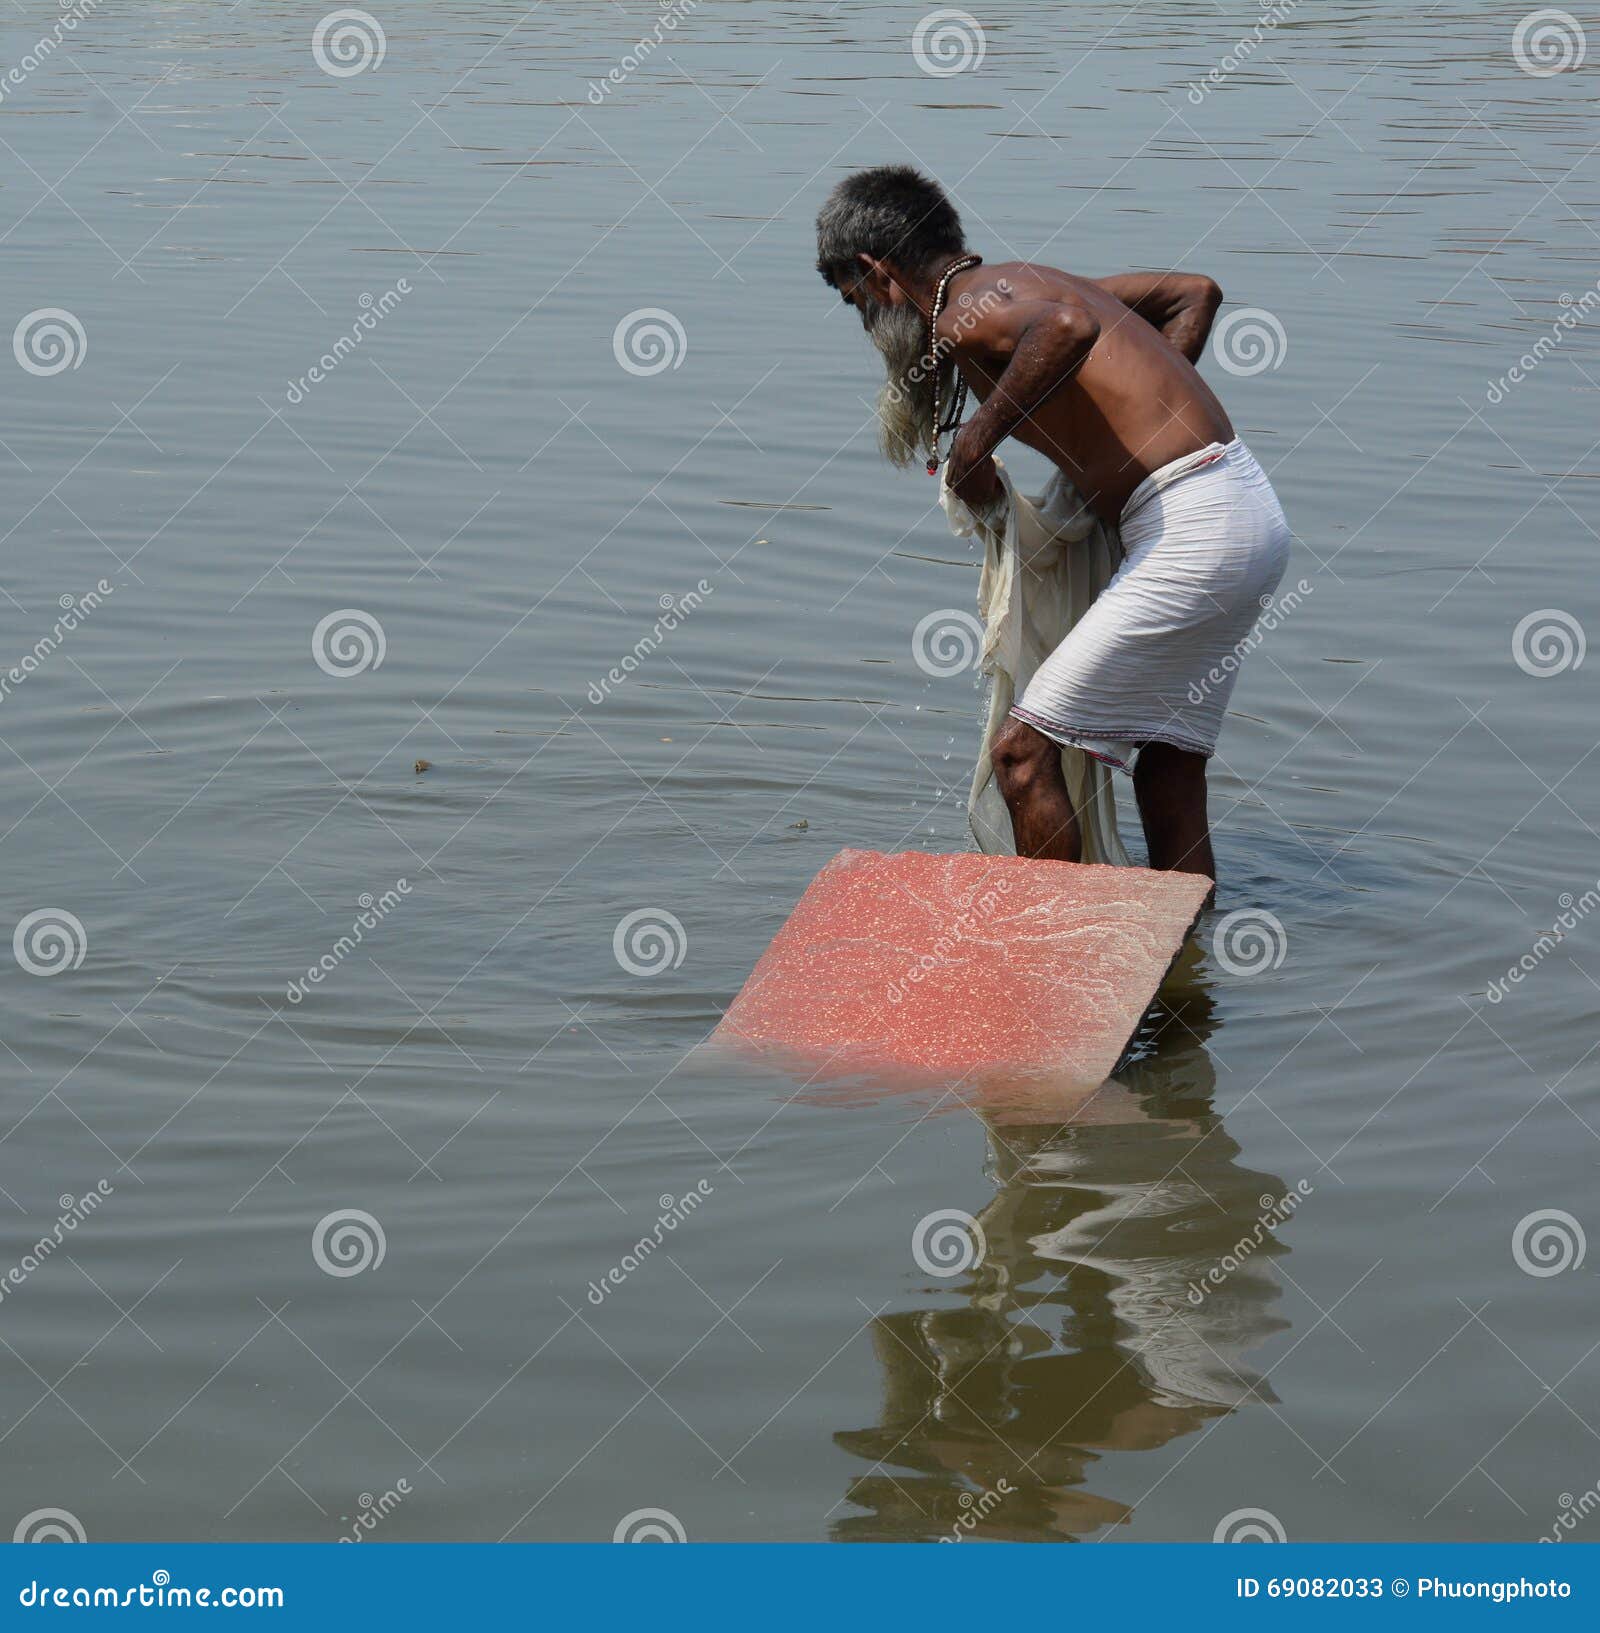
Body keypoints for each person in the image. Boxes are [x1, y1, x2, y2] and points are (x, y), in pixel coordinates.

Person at [815, 165, 1292, 882]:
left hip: (1193, 526)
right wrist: (1133, 414)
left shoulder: (965, 312)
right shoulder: (1028, 283)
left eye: (856, 303)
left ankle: (1054, 941)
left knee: (1021, 752)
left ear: (877, 273)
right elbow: (1194, 292)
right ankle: (1191, 944)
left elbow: (1068, 330)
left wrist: (975, 443)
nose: (868, 325)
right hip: (1241, 510)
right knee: (1167, 765)